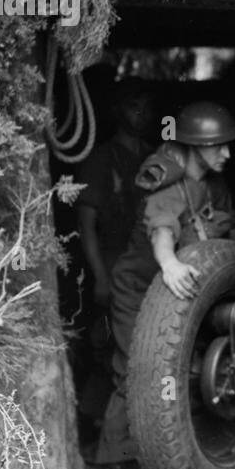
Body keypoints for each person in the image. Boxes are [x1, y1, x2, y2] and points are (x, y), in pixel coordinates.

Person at [92, 100, 235, 468]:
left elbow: (229, 227)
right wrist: (170, 263)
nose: (227, 153)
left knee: (178, 371)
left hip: (182, 296)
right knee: (137, 371)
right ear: (194, 145)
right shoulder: (166, 183)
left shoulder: (212, 180)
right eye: (217, 145)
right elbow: (162, 229)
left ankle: (157, 459)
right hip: (140, 289)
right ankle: (116, 464)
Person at [73, 79, 155, 441]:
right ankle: (102, 432)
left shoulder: (155, 157)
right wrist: (101, 278)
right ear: (117, 112)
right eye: (134, 106)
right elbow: (86, 225)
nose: (142, 114)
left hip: (146, 264)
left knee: (135, 345)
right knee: (110, 346)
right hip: (110, 259)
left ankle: (108, 428)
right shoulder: (101, 159)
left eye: (146, 107)